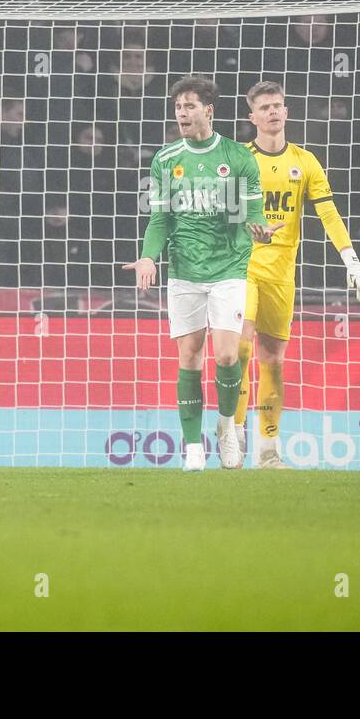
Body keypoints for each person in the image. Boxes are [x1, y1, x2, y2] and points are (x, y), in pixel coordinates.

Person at [123, 75, 268, 472]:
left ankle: (226, 428)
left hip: (228, 267)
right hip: (185, 271)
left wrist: (259, 226)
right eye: (178, 107)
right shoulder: (167, 159)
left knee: (225, 355)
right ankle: (192, 448)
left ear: (209, 110)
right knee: (189, 357)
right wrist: (149, 257)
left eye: (189, 106)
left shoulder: (238, 157)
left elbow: (252, 211)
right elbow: (160, 220)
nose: (182, 114)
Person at [232, 81, 360, 468]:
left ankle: (269, 449)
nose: (273, 112)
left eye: (278, 106)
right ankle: (235, 436)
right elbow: (223, 214)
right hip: (242, 268)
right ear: (252, 117)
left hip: (281, 274)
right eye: (265, 107)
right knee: (240, 350)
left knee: (272, 359)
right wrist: (246, 226)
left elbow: (328, 214)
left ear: (286, 112)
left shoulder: (305, 161)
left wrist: (351, 261)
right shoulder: (240, 158)